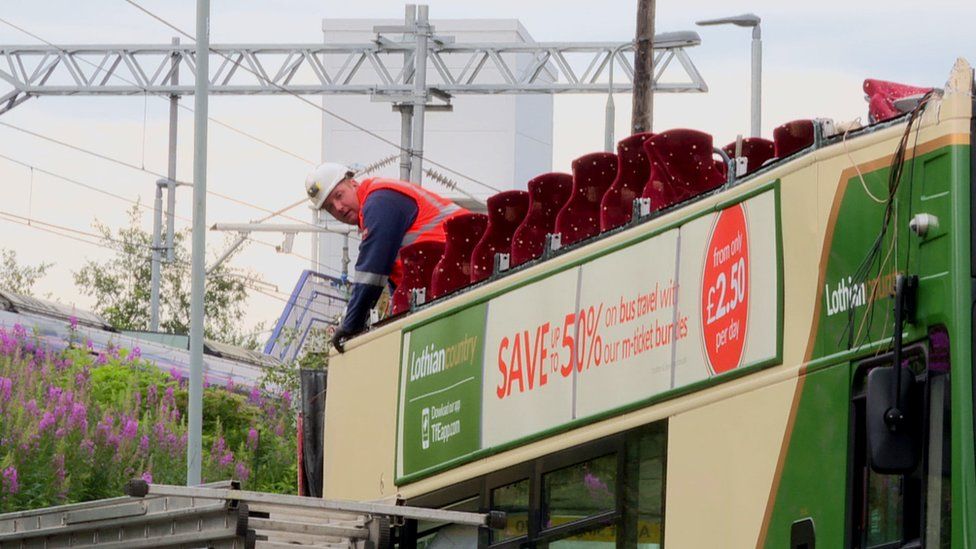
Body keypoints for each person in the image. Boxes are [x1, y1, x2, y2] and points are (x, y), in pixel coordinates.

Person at [305, 162, 468, 352]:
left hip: (464, 271)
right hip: (451, 282)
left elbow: (371, 272)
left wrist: (350, 325)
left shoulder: (380, 201)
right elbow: (398, 283)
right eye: (330, 208)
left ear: (353, 183)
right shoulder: (377, 204)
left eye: (339, 196)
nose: (338, 207)